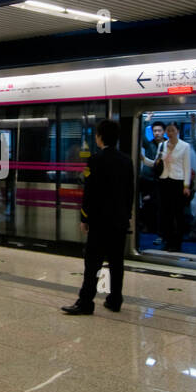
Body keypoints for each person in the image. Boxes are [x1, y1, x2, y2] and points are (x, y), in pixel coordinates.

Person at [62, 119, 134, 316]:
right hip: (119, 221)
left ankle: (85, 302)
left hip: (99, 222)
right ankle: (115, 299)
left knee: (93, 264)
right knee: (116, 262)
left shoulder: (95, 160)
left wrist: (84, 218)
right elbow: (129, 193)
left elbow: (90, 193)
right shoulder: (126, 161)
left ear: (100, 136)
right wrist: (126, 216)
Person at [141, 121, 192, 251]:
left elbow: (187, 167)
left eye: (172, 130)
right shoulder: (162, 146)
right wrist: (144, 160)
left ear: (178, 131)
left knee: (178, 214)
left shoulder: (185, 146)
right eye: (168, 130)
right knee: (166, 214)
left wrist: (186, 185)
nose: (170, 133)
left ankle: (177, 242)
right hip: (164, 181)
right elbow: (157, 164)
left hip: (178, 182)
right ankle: (168, 241)